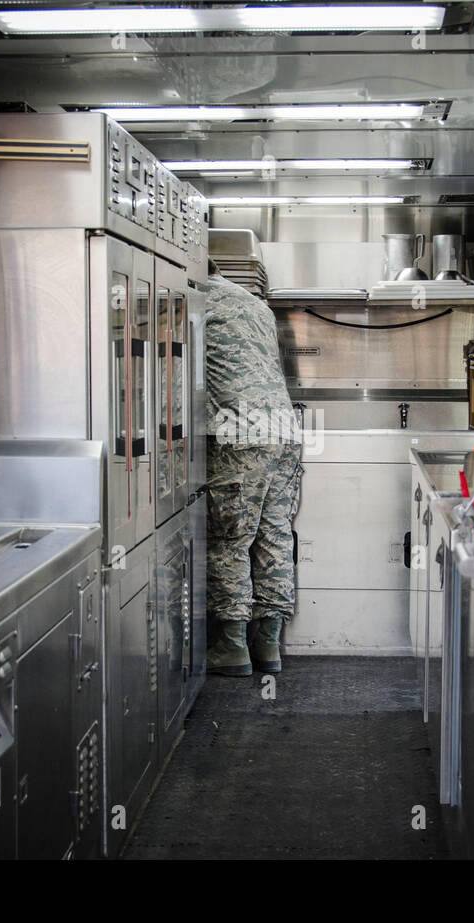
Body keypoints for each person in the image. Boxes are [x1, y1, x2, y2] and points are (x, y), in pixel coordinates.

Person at [203, 258, 303, 676]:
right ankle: (269, 644)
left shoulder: (195, 299)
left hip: (241, 432)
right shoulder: (254, 303)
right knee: (274, 534)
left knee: (231, 538)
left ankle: (231, 647)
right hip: (285, 431)